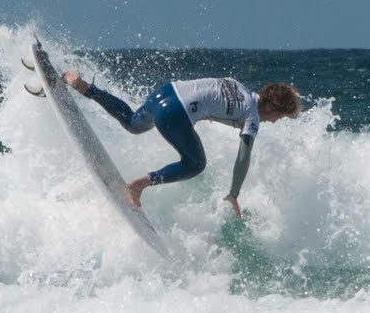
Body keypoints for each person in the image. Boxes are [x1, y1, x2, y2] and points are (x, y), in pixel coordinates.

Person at [61, 70, 301, 217]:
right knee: (196, 164)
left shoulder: (236, 84)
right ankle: (139, 185)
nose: (275, 122)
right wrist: (234, 193)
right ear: (270, 106)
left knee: (133, 123)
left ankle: (84, 86)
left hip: (164, 93)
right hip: (176, 113)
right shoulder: (253, 115)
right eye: (278, 116)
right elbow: (243, 156)